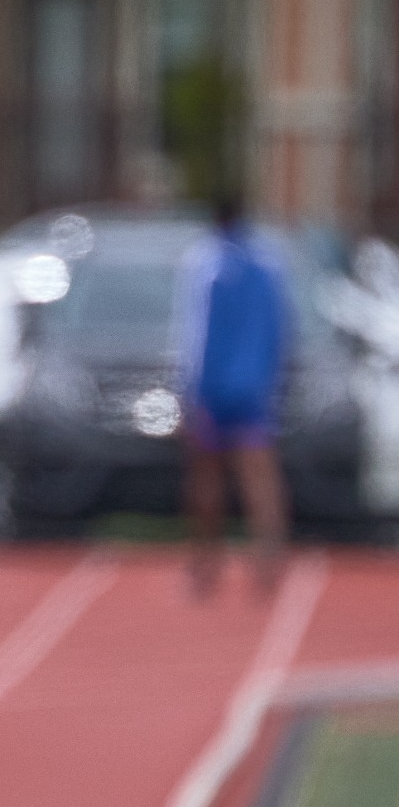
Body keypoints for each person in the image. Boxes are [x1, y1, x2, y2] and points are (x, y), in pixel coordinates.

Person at [177, 193, 291, 598]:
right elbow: (281, 333)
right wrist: (272, 381)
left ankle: (205, 563)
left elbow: (197, 335)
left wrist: (190, 390)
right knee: (259, 478)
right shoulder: (268, 264)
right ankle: (268, 562)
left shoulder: (206, 265)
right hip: (254, 387)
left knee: (207, 477)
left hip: (213, 387)